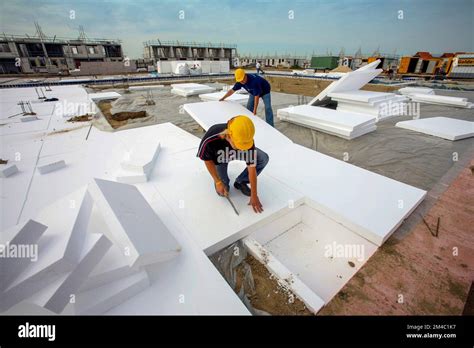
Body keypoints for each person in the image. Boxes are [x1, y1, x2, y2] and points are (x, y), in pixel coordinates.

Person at [196, 115, 269, 214]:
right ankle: (223, 181)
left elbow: (252, 168)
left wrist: (254, 194)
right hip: (220, 158)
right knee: (223, 191)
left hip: (230, 152)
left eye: (245, 146)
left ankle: (241, 181)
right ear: (229, 136)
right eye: (240, 145)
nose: (243, 148)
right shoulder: (211, 138)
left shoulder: (245, 137)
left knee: (263, 158)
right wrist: (218, 182)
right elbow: (207, 160)